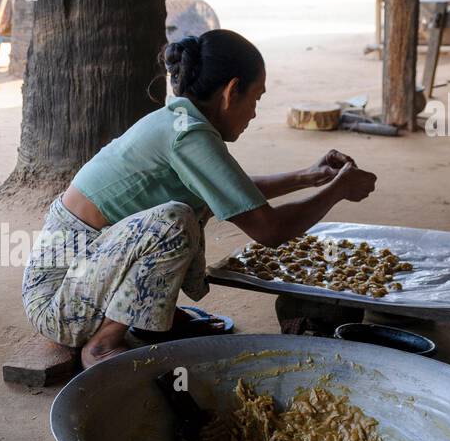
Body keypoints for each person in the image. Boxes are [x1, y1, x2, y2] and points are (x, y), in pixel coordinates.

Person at [22, 29, 377, 367]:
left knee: (184, 211)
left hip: (85, 279)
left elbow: (232, 190)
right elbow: (269, 229)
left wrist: (310, 177)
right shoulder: (188, 136)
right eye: (255, 99)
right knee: (175, 221)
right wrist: (338, 190)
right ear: (231, 91)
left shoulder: (181, 123)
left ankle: (151, 319)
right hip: (60, 304)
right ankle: (103, 344)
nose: (254, 113)